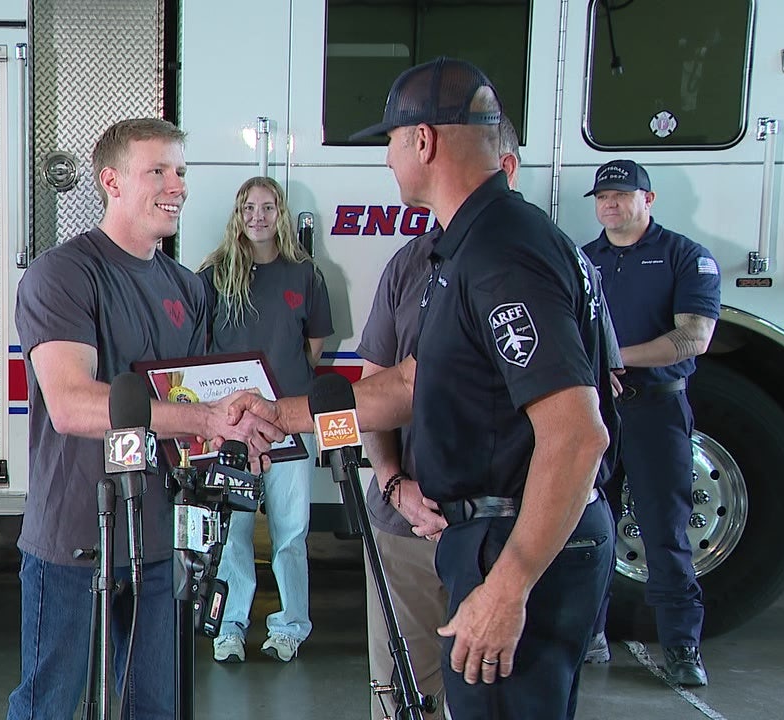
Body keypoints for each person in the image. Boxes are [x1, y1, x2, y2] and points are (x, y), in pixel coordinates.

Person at [225, 58, 619, 720]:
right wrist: (279, 414)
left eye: (390, 141)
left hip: (513, 540)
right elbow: (408, 384)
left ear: (424, 141)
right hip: (485, 537)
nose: (388, 158)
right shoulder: (464, 250)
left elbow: (578, 434)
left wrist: (507, 587)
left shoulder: (504, 253)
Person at [8, 117, 281, 720]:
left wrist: (237, 432)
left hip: (161, 541)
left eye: (181, 171)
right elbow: (72, 403)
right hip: (76, 537)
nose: (176, 186)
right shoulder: (64, 274)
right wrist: (204, 419)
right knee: (48, 704)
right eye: (157, 170)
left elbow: (202, 404)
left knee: (153, 706)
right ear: (111, 181)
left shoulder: (188, 287)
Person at [356, 116, 521, 718]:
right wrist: (394, 483)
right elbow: (377, 388)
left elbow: (580, 417)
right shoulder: (407, 266)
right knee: (400, 692)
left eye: (395, 145)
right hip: (405, 523)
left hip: (493, 534)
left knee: (490, 695)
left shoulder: (533, 263)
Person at [581, 159, 719, 686]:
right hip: (597, 411)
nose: (610, 204)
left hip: (657, 409)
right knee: (590, 530)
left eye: (621, 195)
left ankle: (682, 647)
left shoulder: (684, 256)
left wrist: (615, 358)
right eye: (602, 197)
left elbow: (692, 338)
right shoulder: (584, 259)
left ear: (648, 199)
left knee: (665, 530)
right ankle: (589, 635)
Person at [199, 176, 332, 664]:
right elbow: (198, 352)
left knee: (291, 532)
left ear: (281, 213)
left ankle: (290, 626)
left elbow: (313, 347)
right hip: (232, 429)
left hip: (290, 425)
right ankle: (230, 625)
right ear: (238, 213)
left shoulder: (305, 275)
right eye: (249, 207)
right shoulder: (214, 275)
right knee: (232, 533)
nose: (259, 216)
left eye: (268, 207)